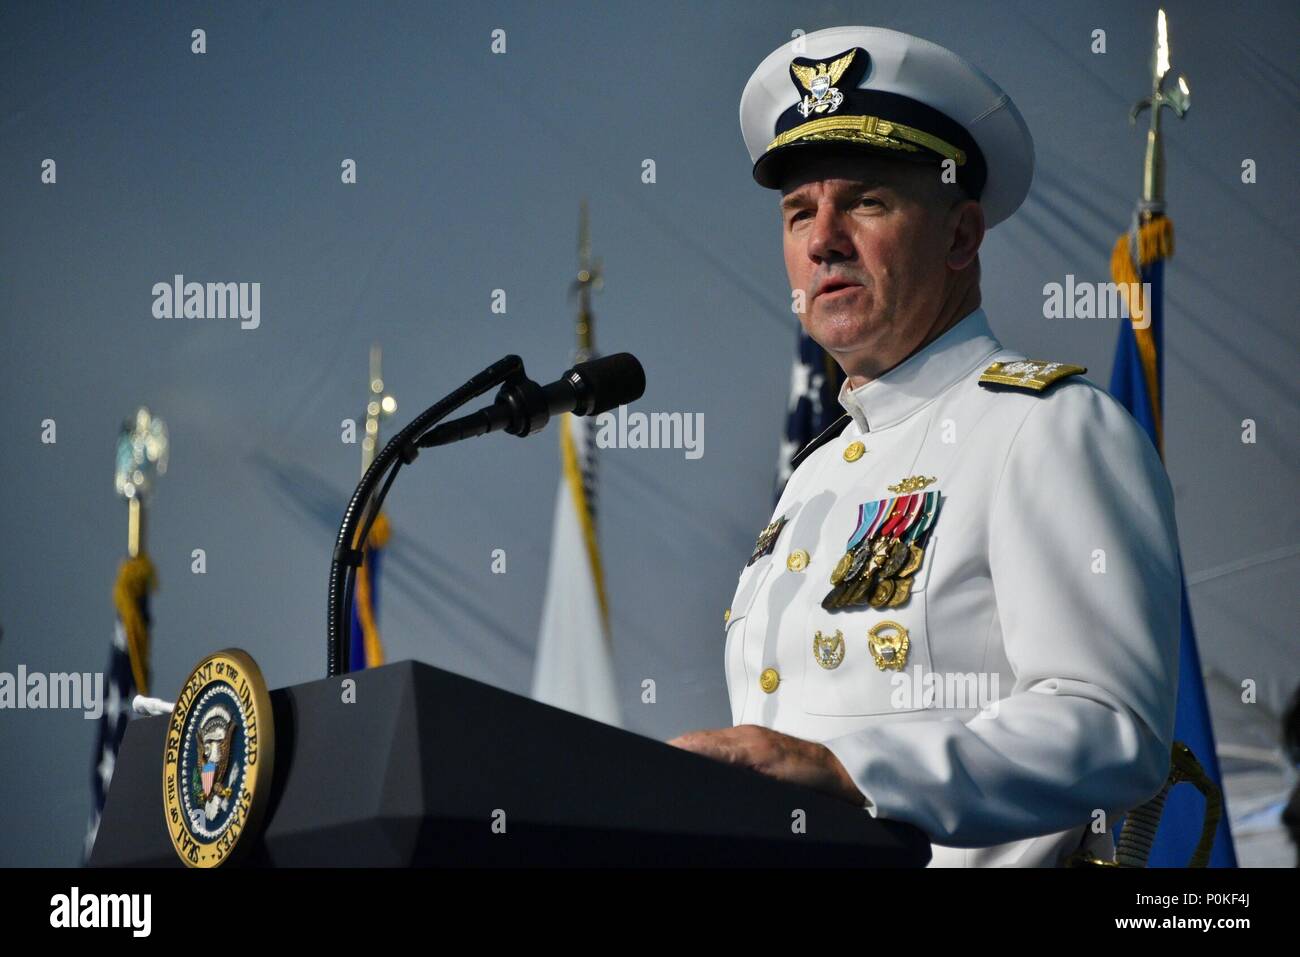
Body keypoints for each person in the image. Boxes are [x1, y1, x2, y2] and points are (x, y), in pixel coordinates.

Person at [667, 25, 1182, 867]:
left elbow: (1108, 723)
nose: (823, 238)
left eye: (865, 201)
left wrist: (848, 769)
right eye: (800, 212)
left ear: (960, 236)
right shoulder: (816, 478)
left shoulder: (1048, 426)